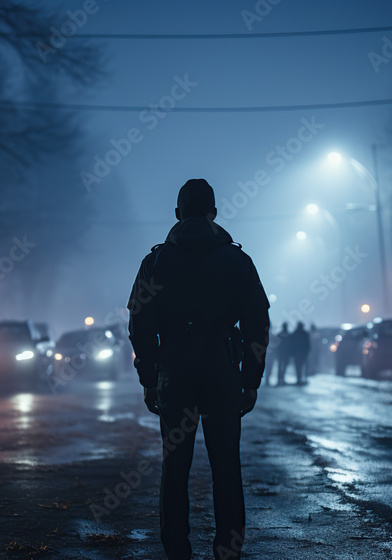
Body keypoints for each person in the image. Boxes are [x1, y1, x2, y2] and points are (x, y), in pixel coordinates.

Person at [127, 178, 270, 560]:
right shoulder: (237, 260)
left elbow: (140, 324)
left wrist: (150, 379)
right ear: (215, 213)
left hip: (175, 372)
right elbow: (258, 322)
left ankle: (177, 550)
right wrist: (250, 379)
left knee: (175, 468)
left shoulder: (156, 260)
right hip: (222, 371)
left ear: (177, 214)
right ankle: (227, 551)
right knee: (226, 466)